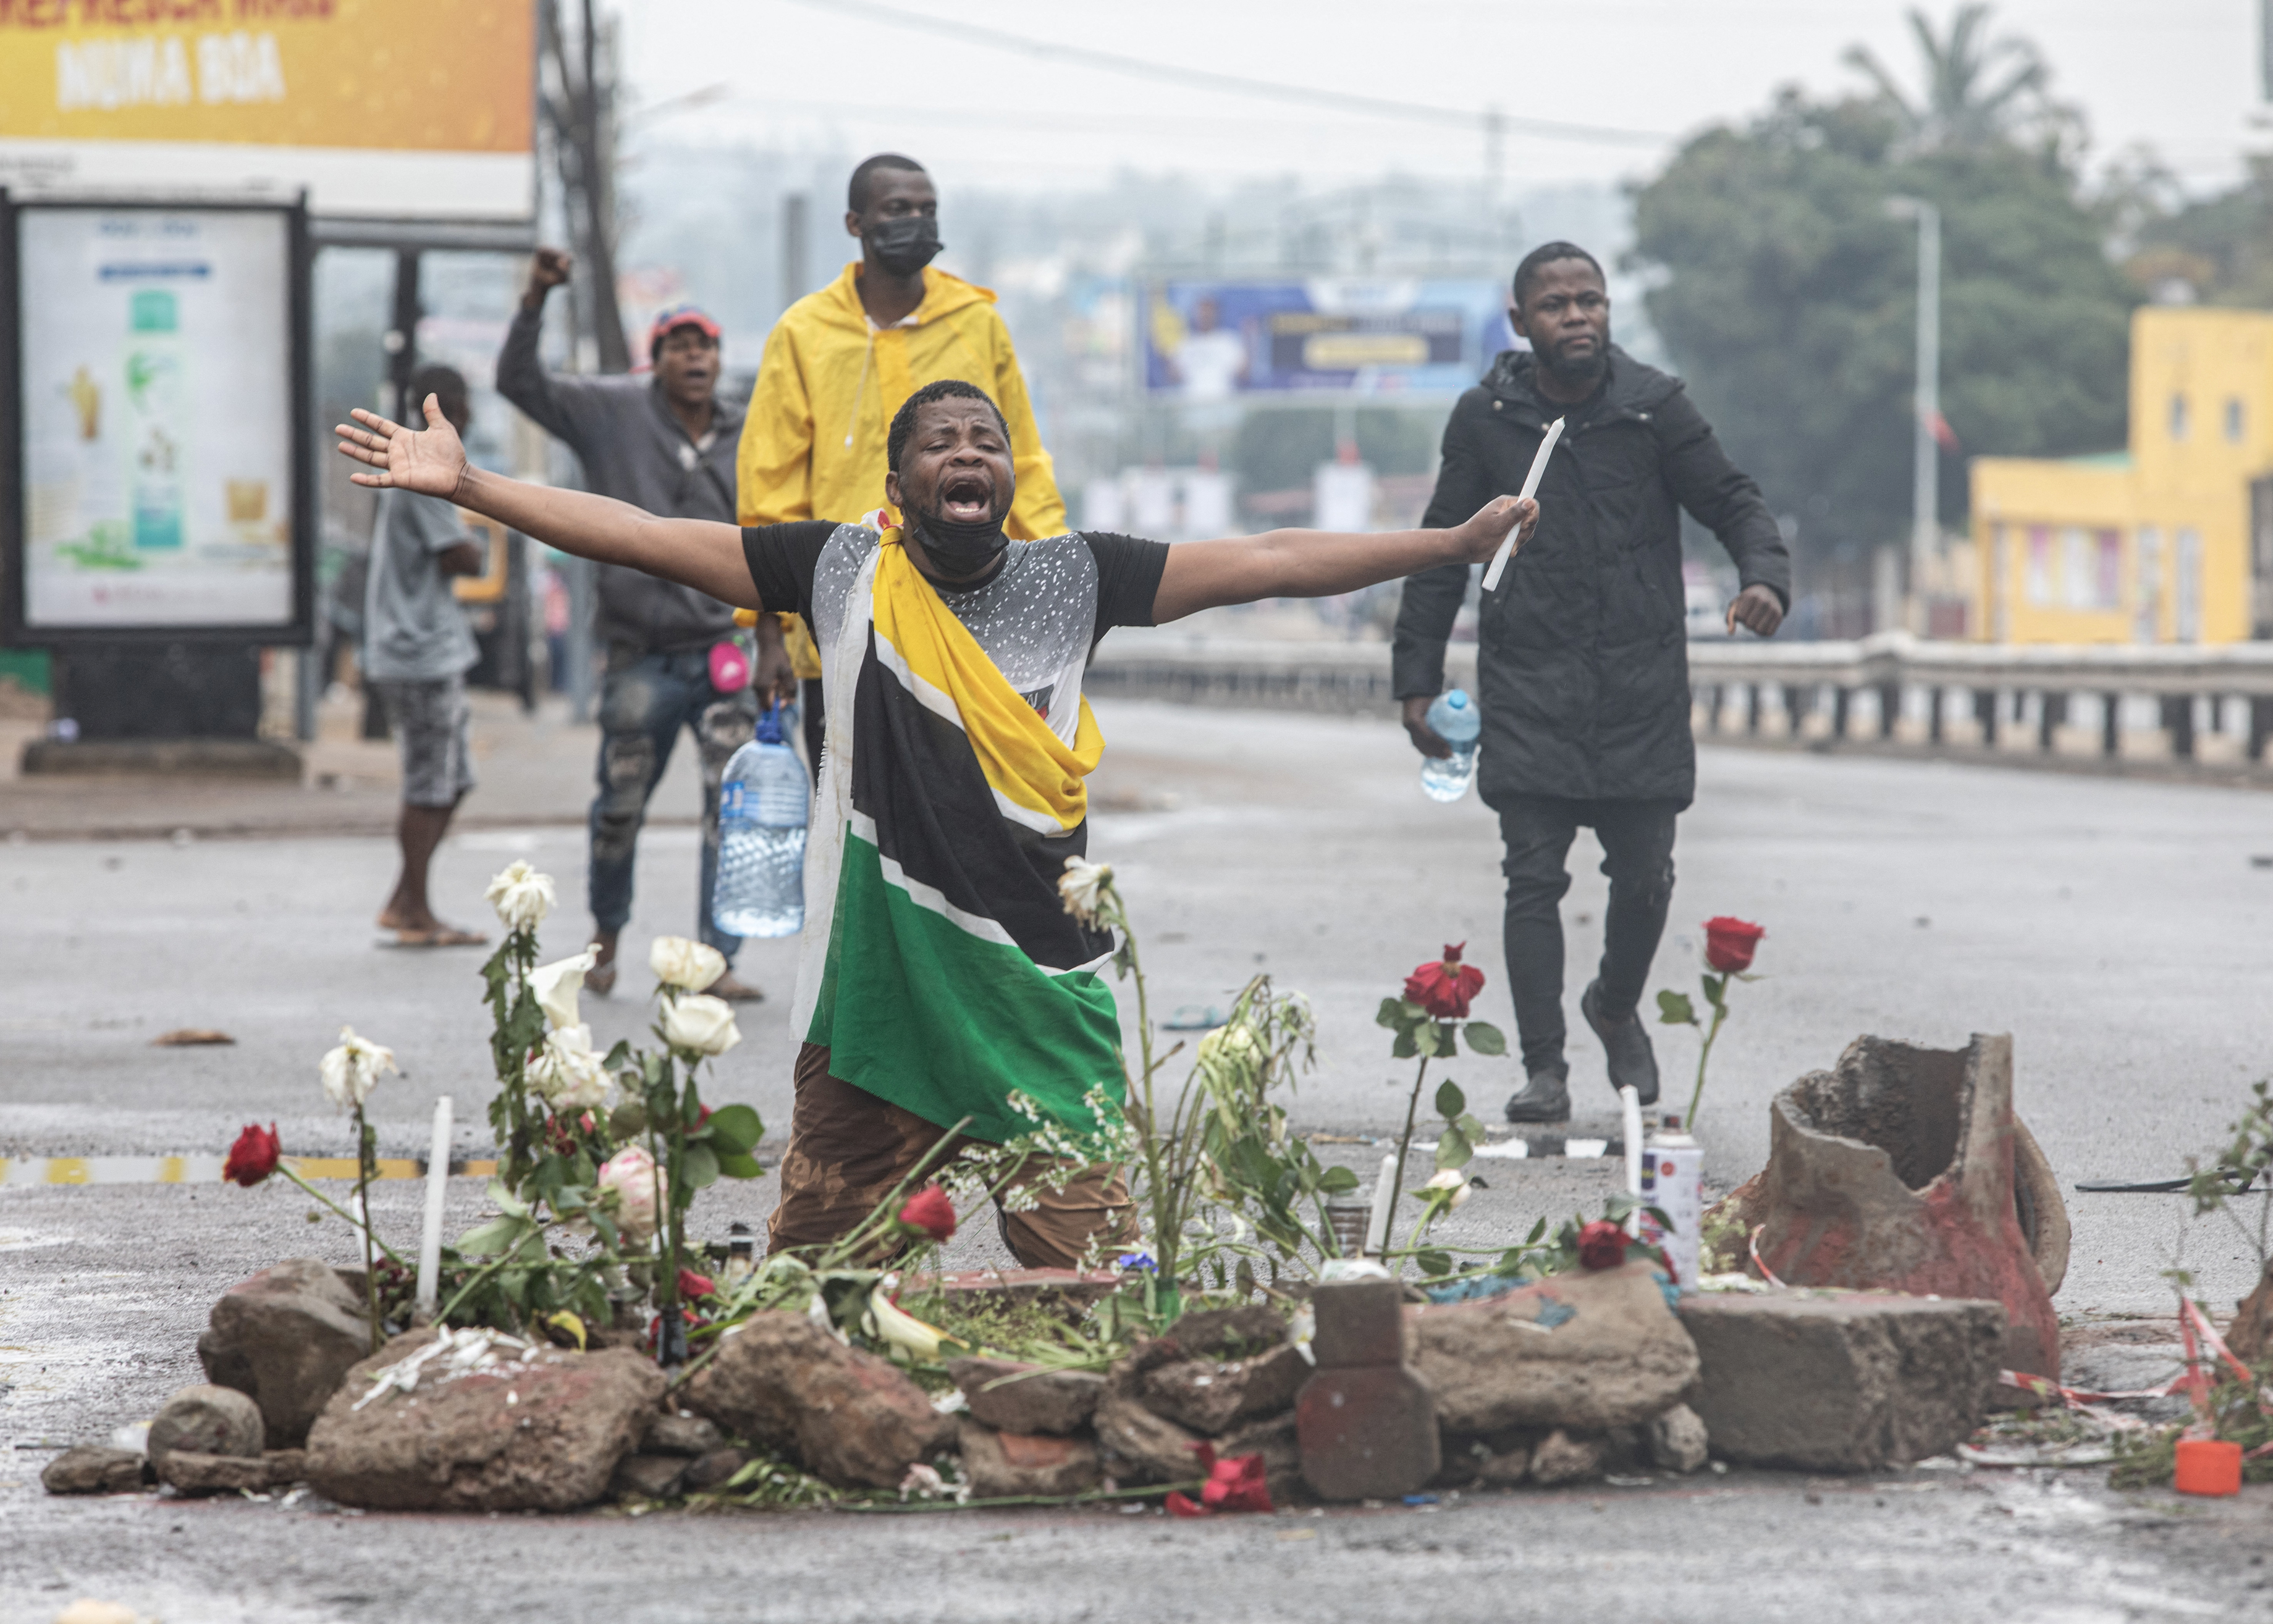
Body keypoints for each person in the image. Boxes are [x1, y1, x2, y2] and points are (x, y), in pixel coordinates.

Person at [339, 377, 1537, 1266]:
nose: (967, 451)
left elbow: (1272, 556)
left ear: (1008, 477)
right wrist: (475, 485)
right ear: (901, 481)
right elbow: (653, 539)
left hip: (1039, 992)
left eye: (987, 439)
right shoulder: (840, 569)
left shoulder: (1080, 577)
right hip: (876, 993)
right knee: (814, 1284)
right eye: (938, 440)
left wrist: (1450, 542)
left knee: (1095, 1284)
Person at [1394, 242, 1790, 1127]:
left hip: (1641, 686)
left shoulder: (1654, 410)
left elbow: (1731, 499)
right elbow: (1439, 553)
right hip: (1529, 682)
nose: (1576, 317)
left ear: (1609, 311)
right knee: (1532, 879)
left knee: (1645, 877)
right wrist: (1416, 679)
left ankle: (1614, 1005)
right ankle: (1544, 1070)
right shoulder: (1486, 420)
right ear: (1520, 323)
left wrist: (1763, 578)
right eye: (1556, 305)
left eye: (1590, 301)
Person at [740, 153, 1066, 780]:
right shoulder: (804, 334)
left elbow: (1022, 458)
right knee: (849, 804)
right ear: (855, 223)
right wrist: (767, 633)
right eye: (898, 210)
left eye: (928, 210)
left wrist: (1051, 579)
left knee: (968, 802)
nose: (916, 222)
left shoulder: (977, 324)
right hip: (841, 616)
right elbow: (770, 486)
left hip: (972, 611)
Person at [497, 252, 760, 1001]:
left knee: (729, 809)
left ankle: (717, 960)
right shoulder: (613, 411)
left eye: (705, 345)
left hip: (722, 651)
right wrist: (536, 300)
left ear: (719, 359)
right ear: (657, 361)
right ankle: (606, 940)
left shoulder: (752, 429)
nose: (695, 357)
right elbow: (523, 385)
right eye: (679, 345)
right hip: (639, 656)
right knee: (618, 807)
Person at [361, 364, 489, 947]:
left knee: (454, 778)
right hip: (418, 651)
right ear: (455, 407)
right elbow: (460, 557)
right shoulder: (425, 469)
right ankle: (415, 910)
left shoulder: (414, 462)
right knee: (428, 783)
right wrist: (479, 537)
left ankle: (405, 897)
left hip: (425, 646)